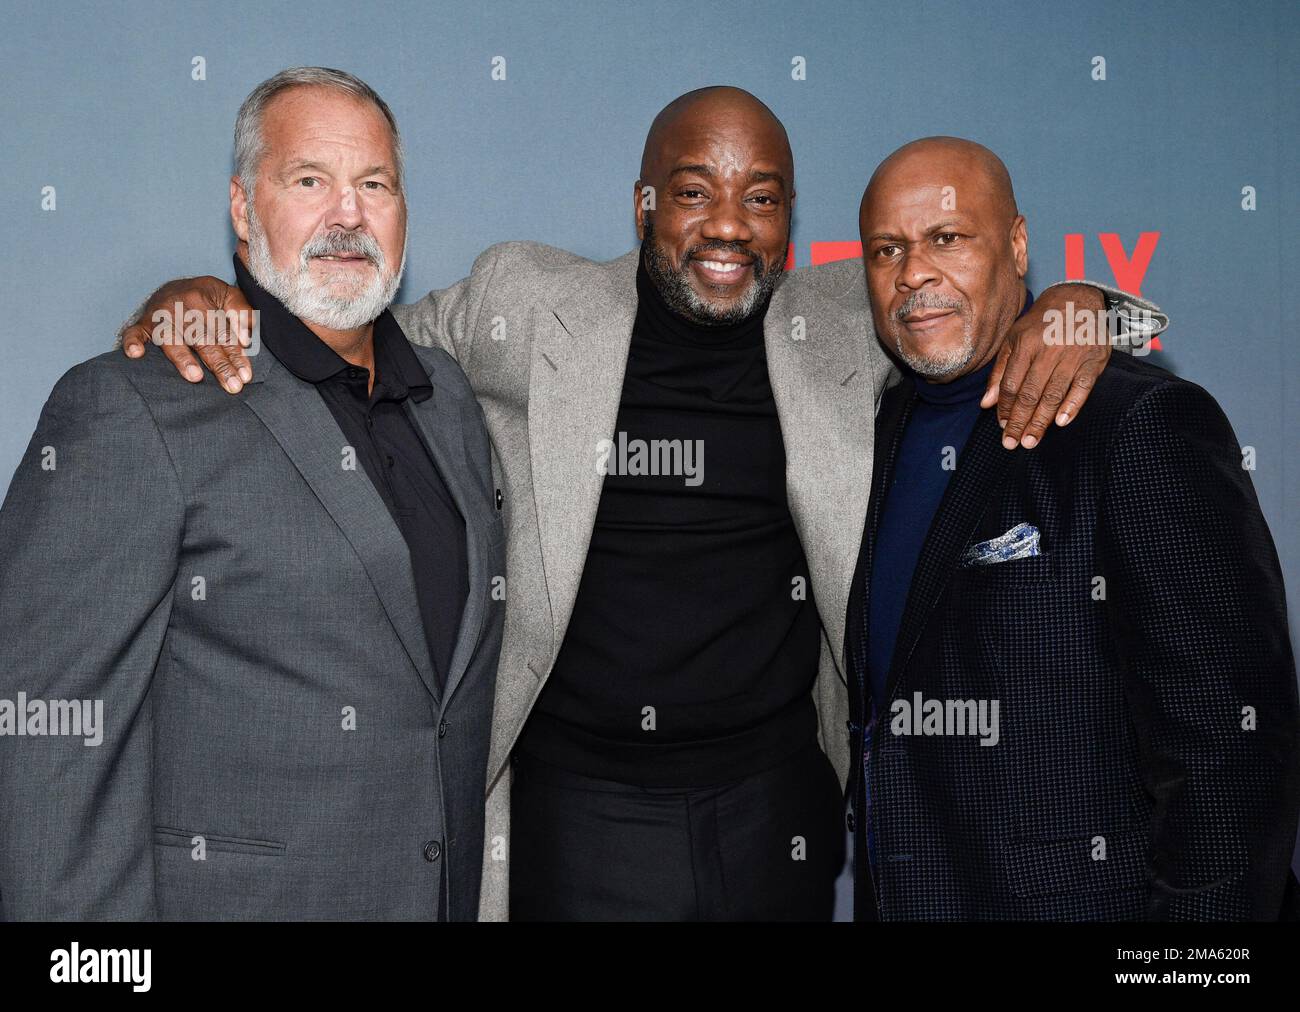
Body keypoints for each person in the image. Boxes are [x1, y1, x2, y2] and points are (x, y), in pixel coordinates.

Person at [117, 84, 1166, 920]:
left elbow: (974, 306)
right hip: (579, 811)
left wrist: (1088, 309)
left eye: (760, 196)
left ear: (789, 221)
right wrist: (214, 301)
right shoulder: (528, 300)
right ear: (643, 204)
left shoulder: (845, 317)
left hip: (776, 807)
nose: (727, 224)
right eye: (694, 189)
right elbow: (350, 334)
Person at [0, 68, 504, 920]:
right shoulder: (136, 405)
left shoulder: (448, 399)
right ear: (242, 208)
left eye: (374, 184)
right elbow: (44, 733)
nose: (348, 213)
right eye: (309, 181)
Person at [846, 136, 1299, 920]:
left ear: (1019, 246)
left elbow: (1230, 752)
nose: (915, 271)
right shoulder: (869, 426)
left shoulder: (1136, 424)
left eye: (948, 237)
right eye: (888, 249)